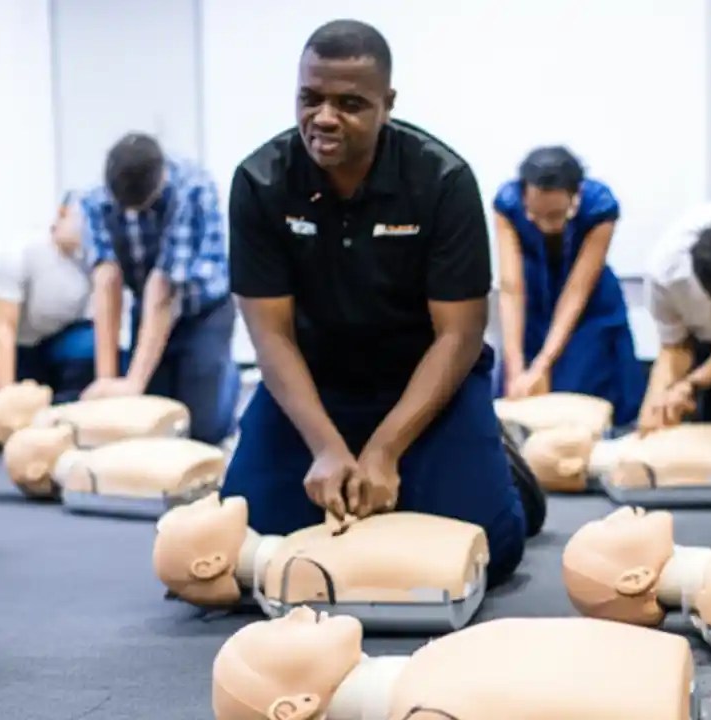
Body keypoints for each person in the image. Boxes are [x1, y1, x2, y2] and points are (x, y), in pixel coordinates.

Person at [221, 19, 526, 586]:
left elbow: (459, 336)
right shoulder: (260, 182)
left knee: (491, 548)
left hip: (424, 381)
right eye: (310, 99)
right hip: (314, 383)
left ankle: (500, 468)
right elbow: (271, 335)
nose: (325, 118)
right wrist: (327, 448)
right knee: (248, 538)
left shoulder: (443, 180)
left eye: (350, 103)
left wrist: (384, 450)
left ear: (387, 104)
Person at [76, 133, 239, 445]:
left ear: (160, 179)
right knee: (153, 424)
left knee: (204, 428)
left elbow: (163, 290)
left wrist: (134, 382)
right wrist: (106, 383)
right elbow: (106, 281)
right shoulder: (95, 200)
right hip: (147, 305)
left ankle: (223, 374)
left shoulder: (191, 188)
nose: (132, 215)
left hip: (202, 308)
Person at [493, 146, 646, 427]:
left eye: (555, 215)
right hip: (534, 297)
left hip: (588, 306)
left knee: (578, 387)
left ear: (575, 196)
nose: (544, 224)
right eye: (535, 214)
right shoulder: (507, 203)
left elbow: (576, 290)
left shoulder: (600, 206)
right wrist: (515, 369)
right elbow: (511, 287)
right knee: (514, 391)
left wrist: (542, 365)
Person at [639, 201, 711, 442]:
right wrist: (655, 403)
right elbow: (674, 347)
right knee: (692, 421)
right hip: (699, 343)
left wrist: (693, 382)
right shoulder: (665, 274)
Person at [0, 191, 105, 403]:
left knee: (91, 340)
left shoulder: (95, 258)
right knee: (20, 405)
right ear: (62, 214)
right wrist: (4, 400)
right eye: (85, 218)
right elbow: (2, 327)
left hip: (55, 339)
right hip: (18, 343)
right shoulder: (22, 252)